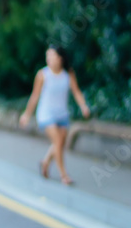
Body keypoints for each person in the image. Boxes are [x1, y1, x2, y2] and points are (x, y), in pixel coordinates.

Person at [19, 44, 91, 185]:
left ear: (61, 58)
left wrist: (83, 106)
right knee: (57, 141)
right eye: (48, 56)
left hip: (62, 114)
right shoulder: (42, 75)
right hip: (46, 114)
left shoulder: (68, 74)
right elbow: (35, 96)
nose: (49, 59)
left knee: (59, 143)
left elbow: (76, 91)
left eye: (52, 56)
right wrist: (26, 114)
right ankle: (64, 175)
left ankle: (45, 162)